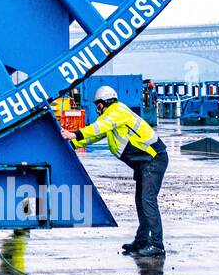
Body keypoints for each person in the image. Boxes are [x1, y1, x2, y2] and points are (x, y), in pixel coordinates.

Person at [60, 85, 168, 257]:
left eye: (98, 105)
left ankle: (157, 245)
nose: (97, 109)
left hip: (153, 160)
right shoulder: (112, 120)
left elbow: (98, 127)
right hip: (144, 163)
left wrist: (75, 134)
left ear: (104, 102)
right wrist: (70, 145)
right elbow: (95, 136)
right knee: (141, 202)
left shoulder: (117, 111)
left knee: (147, 201)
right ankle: (141, 241)